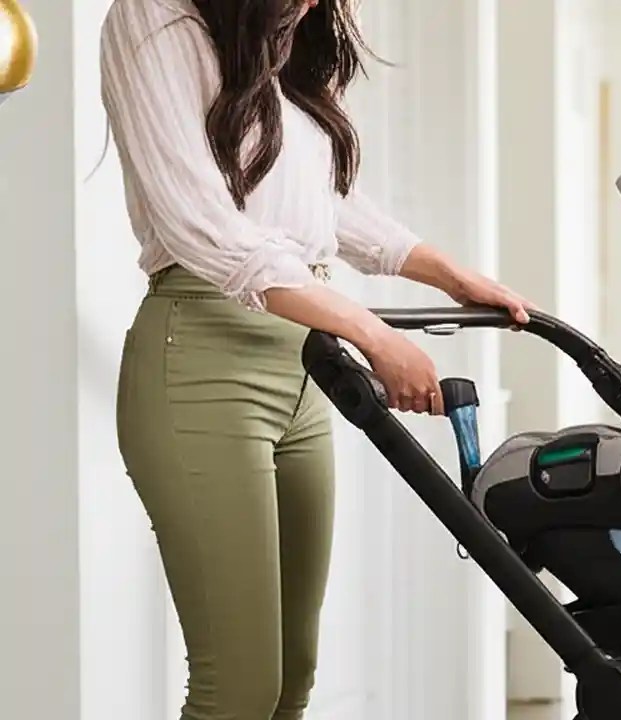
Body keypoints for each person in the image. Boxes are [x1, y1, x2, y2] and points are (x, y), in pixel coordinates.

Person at [100, 0, 533, 717]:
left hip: (302, 361)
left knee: (292, 679)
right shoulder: (153, 17)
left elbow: (326, 206)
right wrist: (373, 334)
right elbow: (202, 223)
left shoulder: (276, 48)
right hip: (203, 360)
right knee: (237, 686)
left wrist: (449, 276)